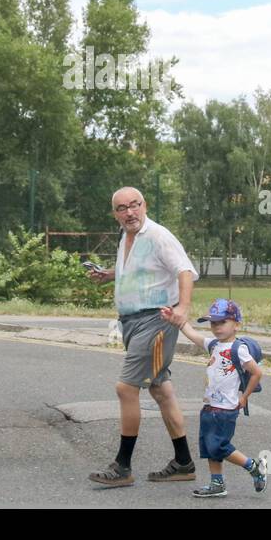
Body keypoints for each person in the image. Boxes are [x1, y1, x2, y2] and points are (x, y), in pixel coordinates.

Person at [86, 187, 199, 487]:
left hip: (156, 321)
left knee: (126, 388)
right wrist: (110, 274)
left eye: (134, 205)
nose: (129, 212)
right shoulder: (127, 236)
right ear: (116, 214)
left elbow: (185, 270)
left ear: (144, 205)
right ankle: (183, 462)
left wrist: (183, 308)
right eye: (122, 208)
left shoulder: (159, 236)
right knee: (160, 389)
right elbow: (141, 270)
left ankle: (122, 466)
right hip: (133, 323)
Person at [167, 298, 267, 497]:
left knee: (218, 445)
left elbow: (256, 373)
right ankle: (217, 484)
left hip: (226, 408)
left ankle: (253, 466)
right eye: (213, 323)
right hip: (209, 406)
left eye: (222, 322)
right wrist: (178, 320)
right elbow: (193, 335)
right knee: (209, 447)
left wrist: (245, 397)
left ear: (236, 325)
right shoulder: (214, 345)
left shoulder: (239, 349)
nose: (217, 327)